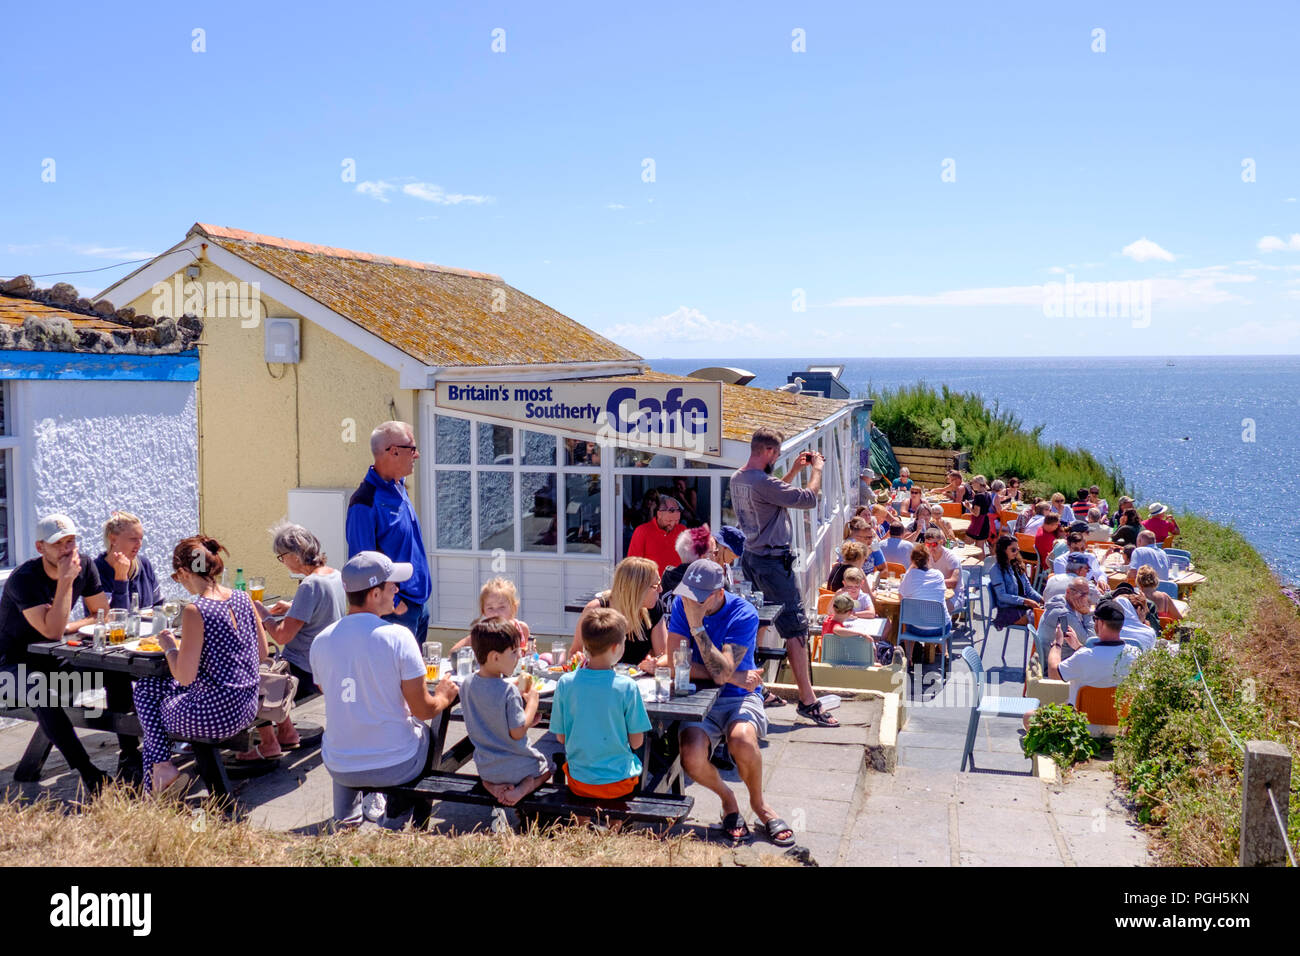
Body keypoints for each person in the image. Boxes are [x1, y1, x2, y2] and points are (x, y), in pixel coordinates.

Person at [309, 551, 458, 829]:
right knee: (425, 734)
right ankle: (395, 819)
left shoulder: (321, 641)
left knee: (350, 730)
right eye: (392, 585)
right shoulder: (399, 637)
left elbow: (330, 692)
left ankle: (346, 819)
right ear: (375, 594)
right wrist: (444, 697)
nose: (397, 590)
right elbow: (423, 710)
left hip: (339, 765)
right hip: (395, 765)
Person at [668, 559, 793, 845]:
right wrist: (733, 676)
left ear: (718, 593)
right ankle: (728, 799)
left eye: (698, 597)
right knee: (691, 755)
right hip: (697, 696)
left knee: (743, 740)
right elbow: (675, 666)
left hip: (738, 698)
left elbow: (721, 671)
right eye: (688, 594)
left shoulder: (743, 613)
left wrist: (698, 629)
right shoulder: (681, 606)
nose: (690, 601)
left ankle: (760, 805)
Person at [138, 536, 264, 795]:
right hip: (247, 706)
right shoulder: (242, 598)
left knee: (145, 693)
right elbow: (261, 652)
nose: (179, 581)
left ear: (184, 571)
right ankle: (160, 776)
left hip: (214, 715)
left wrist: (170, 646)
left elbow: (184, 677)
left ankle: (161, 770)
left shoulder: (196, 610)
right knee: (155, 690)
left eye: (176, 576)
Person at [730, 428, 836, 727]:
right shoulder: (762, 482)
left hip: (751, 558)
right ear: (768, 452)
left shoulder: (739, 478)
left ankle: (755, 686)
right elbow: (806, 499)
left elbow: (773, 495)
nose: (776, 459)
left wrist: (792, 470)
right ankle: (807, 699)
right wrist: (816, 471)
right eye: (776, 455)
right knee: (795, 628)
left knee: (757, 621)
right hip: (774, 564)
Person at [0, 514, 112, 793]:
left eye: (71, 541)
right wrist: (65, 583)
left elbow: (102, 614)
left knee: (115, 671)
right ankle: (89, 773)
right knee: (43, 694)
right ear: (41, 547)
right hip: (11, 666)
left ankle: (132, 756)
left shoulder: (84, 564)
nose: (67, 549)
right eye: (58, 543)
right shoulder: (23, 579)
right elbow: (51, 633)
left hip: (53, 659)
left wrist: (67, 625)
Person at [244, 522, 346, 759]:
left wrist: (263, 614)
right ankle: (287, 732)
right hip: (328, 661)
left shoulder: (309, 585)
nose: (283, 563)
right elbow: (325, 609)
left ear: (293, 555)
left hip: (305, 667)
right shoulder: (334, 575)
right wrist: (293, 607)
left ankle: (270, 744)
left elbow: (281, 635)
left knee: (253, 676)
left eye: (281, 557)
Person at [550, 607, 651, 804]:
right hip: (618, 783)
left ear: (585, 645)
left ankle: (582, 824)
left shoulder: (565, 683)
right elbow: (637, 742)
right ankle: (615, 825)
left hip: (579, 781)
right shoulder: (627, 686)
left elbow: (561, 737)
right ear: (616, 647)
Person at [346, 421, 432, 643]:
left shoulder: (398, 486)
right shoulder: (364, 502)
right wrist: (395, 605)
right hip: (396, 612)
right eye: (412, 449)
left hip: (418, 606)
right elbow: (361, 565)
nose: (417, 455)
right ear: (393, 451)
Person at [459, 618, 551, 806]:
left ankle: (492, 787)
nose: (518, 657)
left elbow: (489, 721)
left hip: (486, 767)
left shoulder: (467, 684)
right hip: (518, 766)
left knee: (488, 778)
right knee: (550, 768)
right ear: (495, 657)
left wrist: (525, 722)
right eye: (514, 652)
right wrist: (532, 704)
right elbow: (517, 732)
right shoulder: (508, 691)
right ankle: (524, 788)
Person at [1022, 599, 1140, 727]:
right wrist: (1078, 646)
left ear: (1100, 623)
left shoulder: (1083, 657)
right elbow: (1102, 660)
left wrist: (1057, 644)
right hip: (1117, 726)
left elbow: (1053, 673)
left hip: (1080, 725)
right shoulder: (1135, 654)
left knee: (1029, 717)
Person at [570, 556, 664, 671]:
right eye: (656, 585)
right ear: (637, 589)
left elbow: (664, 654)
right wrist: (579, 659)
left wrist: (653, 663)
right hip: (600, 680)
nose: (661, 590)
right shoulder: (597, 610)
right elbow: (574, 653)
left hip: (638, 683)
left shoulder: (654, 609)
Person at [94, 511, 161, 611]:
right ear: (113, 539)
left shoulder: (144, 564)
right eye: (133, 539)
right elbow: (113, 619)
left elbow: (159, 604)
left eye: (141, 538)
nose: (139, 544)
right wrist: (120, 579)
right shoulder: (96, 571)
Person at [898, 546, 951, 666]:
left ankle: (909, 658)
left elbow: (901, 597)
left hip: (917, 629)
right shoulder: (938, 575)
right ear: (928, 559)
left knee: (908, 621)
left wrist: (910, 568)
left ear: (912, 560)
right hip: (940, 628)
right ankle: (945, 654)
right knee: (943, 616)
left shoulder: (910, 575)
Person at [450, 578, 533, 653]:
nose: (496, 613)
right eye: (490, 608)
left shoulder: (521, 629)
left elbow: (527, 656)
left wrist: (530, 652)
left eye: (502, 607)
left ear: (513, 608)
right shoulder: (482, 633)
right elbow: (453, 653)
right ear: (483, 611)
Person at [987, 535, 1043, 631]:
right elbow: (1002, 596)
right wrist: (1025, 601)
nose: (1016, 552)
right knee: (1042, 619)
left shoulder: (1017, 565)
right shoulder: (996, 569)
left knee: (1048, 613)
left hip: (1021, 607)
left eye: (1017, 549)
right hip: (1007, 611)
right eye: (1013, 550)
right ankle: (1041, 645)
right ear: (1003, 550)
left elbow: (1029, 590)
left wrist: (1042, 600)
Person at [1038, 577, 1097, 662]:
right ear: (1068, 591)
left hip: (1048, 658)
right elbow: (1090, 642)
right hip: (1057, 665)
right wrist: (1086, 614)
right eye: (1082, 594)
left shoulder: (1058, 601)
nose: (1085, 598)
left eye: (1087, 594)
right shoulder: (1064, 616)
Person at [821, 593, 891, 664]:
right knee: (872, 652)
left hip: (830, 660)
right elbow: (836, 630)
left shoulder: (828, 619)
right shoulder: (836, 626)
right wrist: (861, 634)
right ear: (850, 612)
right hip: (844, 663)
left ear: (834, 608)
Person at [626, 494, 684, 577]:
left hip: (678, 585)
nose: (672, 524)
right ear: (659, 514)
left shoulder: (682, 530)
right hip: (652, 586)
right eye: (669, 520)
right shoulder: (642, 531)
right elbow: (633, 564)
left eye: (676, 520)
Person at [660, 525, 716, 599]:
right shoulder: (709, 588)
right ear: (703, 557)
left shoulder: (664, 581)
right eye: (714, 552)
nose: (715, 557)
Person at [921, 528, 965, 615]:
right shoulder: (926, 555)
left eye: (934, 544)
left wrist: (931, 583)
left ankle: (941, 628)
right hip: (933, 592)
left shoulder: (951, 557)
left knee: (936, 610)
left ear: (941, 542)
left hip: (954, 595)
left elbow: (953, 582)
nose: (930, 547)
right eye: (927, 544)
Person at [964, 475, 996, 553]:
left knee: (965, 546)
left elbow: (976, 513)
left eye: (973, 482)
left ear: (978, 483)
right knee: (980, 548)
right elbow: (982, 509)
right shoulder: (987, 494)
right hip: (985, 523)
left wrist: (968, 506)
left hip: (978, 525)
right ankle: (981, 565)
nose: (971, 484)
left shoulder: (978, 496)